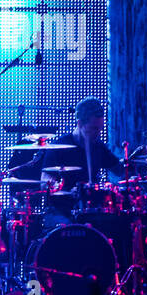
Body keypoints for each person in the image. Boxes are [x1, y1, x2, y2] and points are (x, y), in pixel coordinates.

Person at [11, 97, 125, 228]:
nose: (97, 133)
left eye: (99, 129)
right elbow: (45, 182)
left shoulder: (98, 147)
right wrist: (63, 189)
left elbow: (120, 170)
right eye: (93, 129)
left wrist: (136, 161)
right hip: (59, 212)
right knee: (72, 230)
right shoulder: (59, 147)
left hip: (90, 211)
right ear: (79, 123)